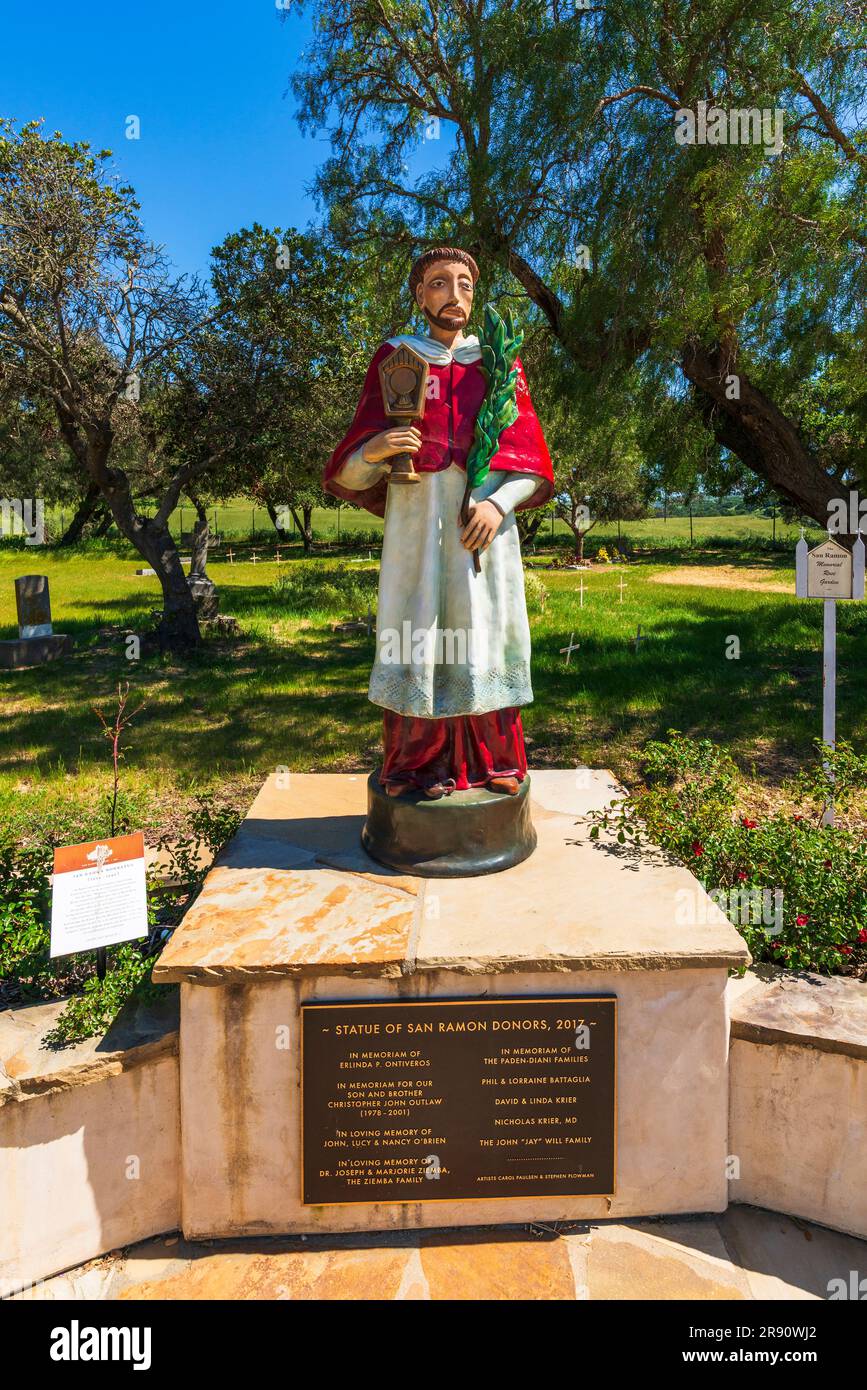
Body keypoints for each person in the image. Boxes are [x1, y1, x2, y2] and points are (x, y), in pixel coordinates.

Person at [324, 246, 553, 799]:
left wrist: (498, 506)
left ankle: (494, 756)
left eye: (465, 285)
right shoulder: (394, 358)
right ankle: (417, 764)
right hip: (416, 523)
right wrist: (377, 448)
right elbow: (349, 475)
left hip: (483, 526)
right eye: (439, 283)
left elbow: (533, 463)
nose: (455, 296)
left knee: (485, 631)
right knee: (417, 631)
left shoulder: (499, 362)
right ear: (419, 294)